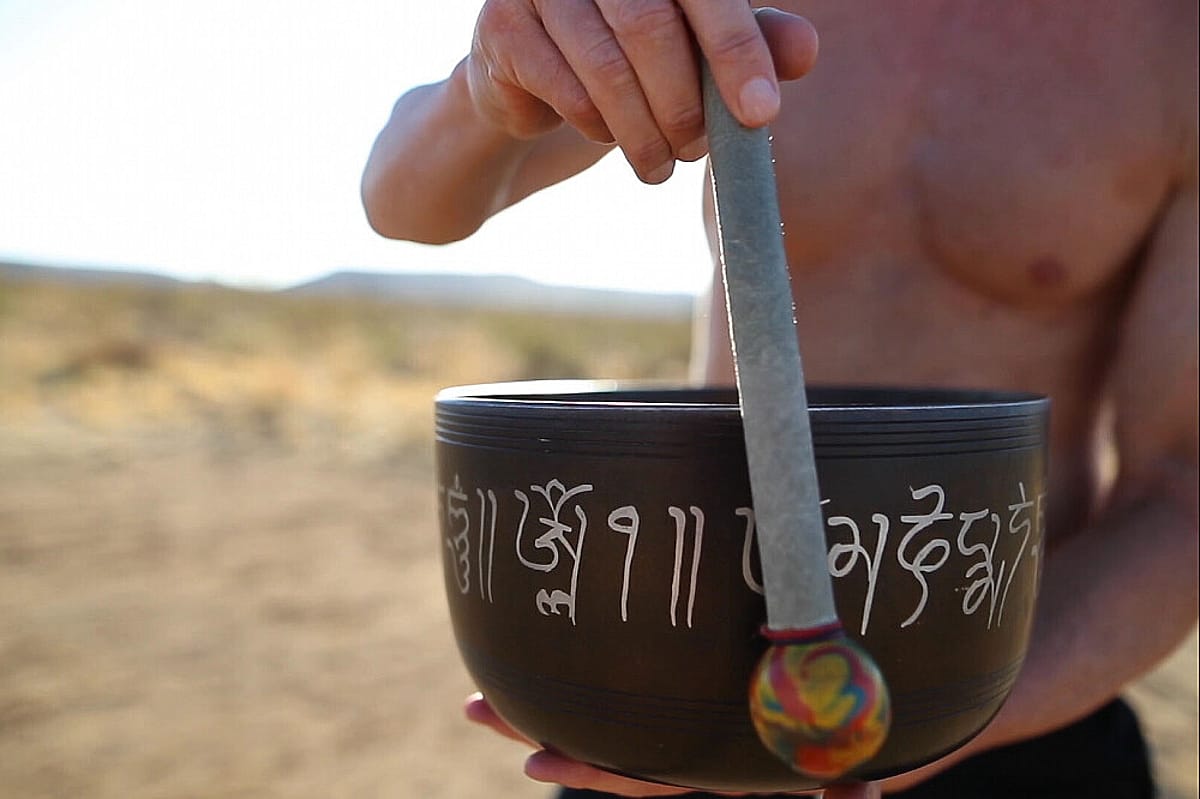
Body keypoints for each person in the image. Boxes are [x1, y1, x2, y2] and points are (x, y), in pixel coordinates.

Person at [362, 2, 1198, 797]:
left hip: (1016, 715)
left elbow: (1181, 489)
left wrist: (916, 730)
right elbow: (404, 201)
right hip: (674, 682)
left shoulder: (1174, 40)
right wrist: (490, 78)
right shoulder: (714, 6)